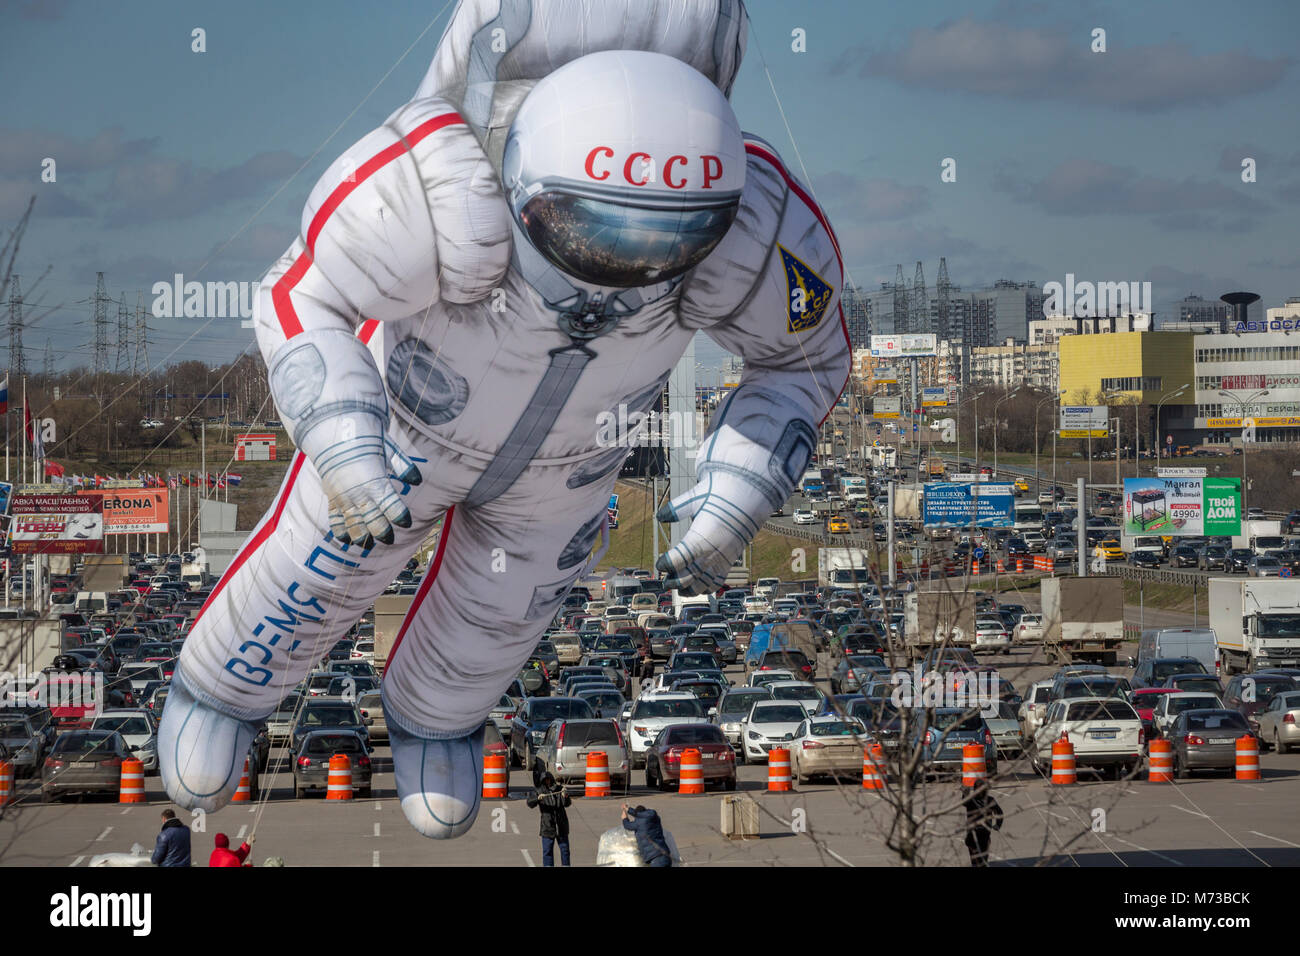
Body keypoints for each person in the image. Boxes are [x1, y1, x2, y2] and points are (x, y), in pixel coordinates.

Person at [157, 0, 849, 842]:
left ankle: (436, 716)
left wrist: (739, 488)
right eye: (594, 232)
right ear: (519, 186)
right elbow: (305, 294)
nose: (624, 272)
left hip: (567, 471)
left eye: (665, 243)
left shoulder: (755, 227)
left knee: (504, 607)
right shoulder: (438, 184)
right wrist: (342, 433)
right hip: (404, 434)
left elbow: (806, 360)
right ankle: (224, 688)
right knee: (320, 564)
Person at [526, 772, 572, 867]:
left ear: (552, 779)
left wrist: (565, 796)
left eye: (549, 779)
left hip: (561, 825)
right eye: (545, 780)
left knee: (565, 850)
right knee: (547, 851)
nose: (548, 782)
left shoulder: (559, 789)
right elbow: (529, 803)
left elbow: (567, 803)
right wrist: (537, 799)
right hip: (547, 826)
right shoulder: (539, 791)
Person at [962, 781, 1003, 867]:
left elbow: (999, 812)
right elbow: (964, 802)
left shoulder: (987, 800)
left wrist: (998, 825)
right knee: (978, 859)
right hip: (976, 833)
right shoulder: (973, 800)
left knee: (980, 859)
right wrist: (965, 793)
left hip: (981, 833)